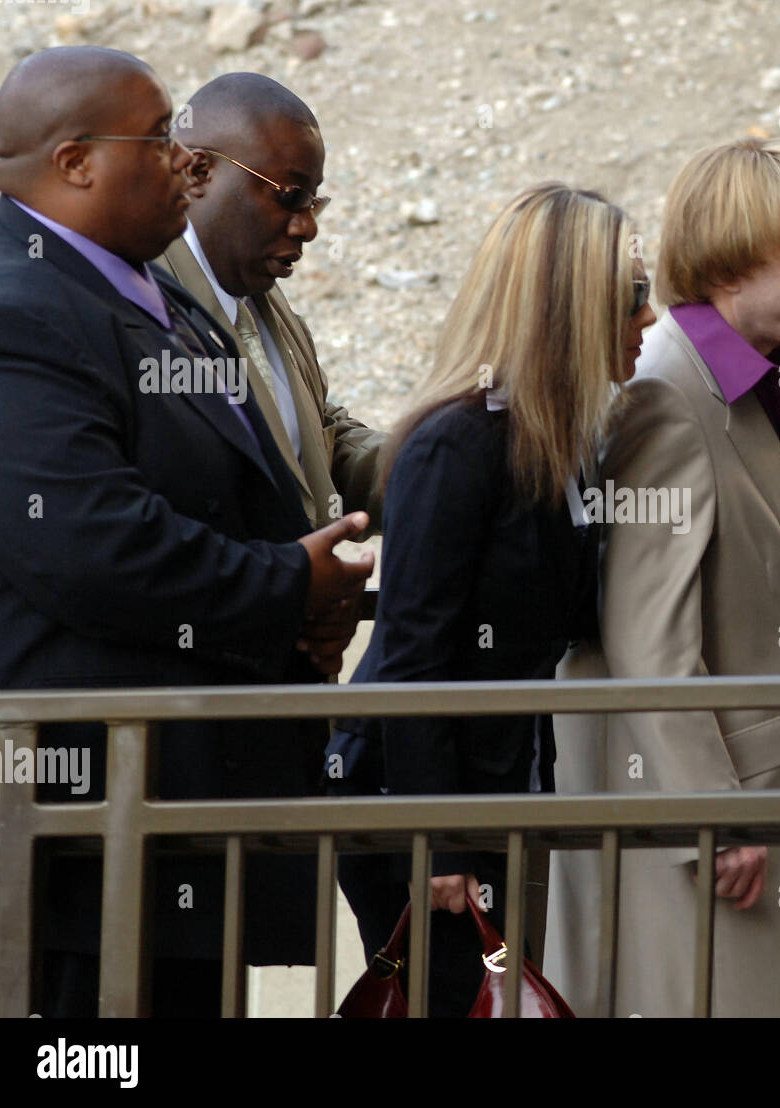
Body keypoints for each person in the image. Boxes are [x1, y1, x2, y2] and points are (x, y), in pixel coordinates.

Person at [0, 46, 373, 1016]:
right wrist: (288, 585)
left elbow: (260, 490)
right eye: (160, 140)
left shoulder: (160, 307)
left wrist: (305, 593)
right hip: (92, 841)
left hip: (179, 823)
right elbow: (92, 546)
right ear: (75, 161)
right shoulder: (16, 309)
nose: (186, 161)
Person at [545, 138, 780, 1017]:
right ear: (732, 263)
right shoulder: (667, 398)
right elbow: (647, 637)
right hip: (715, 829)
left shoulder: (736, 380)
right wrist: (713, 819)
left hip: (764, 810)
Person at [327, 182, 654, 1017]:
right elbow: (414, 654)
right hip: (420, 808)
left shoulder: (556, 439)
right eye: (632, 298)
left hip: (495, 793)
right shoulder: (458, 442)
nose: (648, 320)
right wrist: (440, 842)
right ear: (570, 308)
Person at [159, 72, 385, 532]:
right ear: (198, 171)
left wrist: (438, 463)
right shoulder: (141, 305)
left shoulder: (259, 293)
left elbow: (314, 444)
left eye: (313, 204)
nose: (308, 228)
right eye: (290, 196)